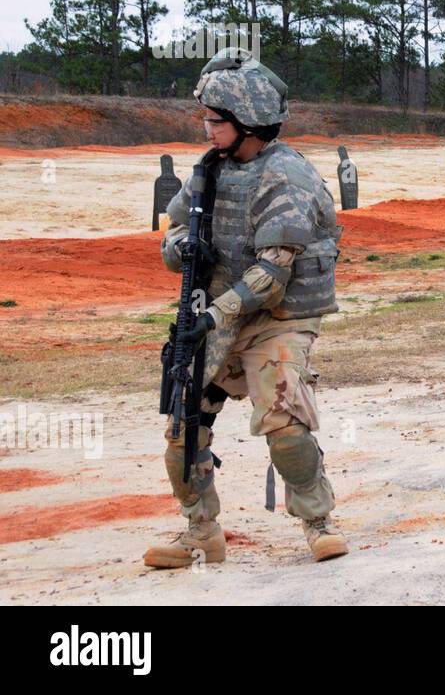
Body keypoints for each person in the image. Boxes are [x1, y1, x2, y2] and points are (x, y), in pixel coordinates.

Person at [146, 47, 348, 568]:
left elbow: (272, 277)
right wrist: (183, 247)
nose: (207, 128)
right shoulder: (209, 172)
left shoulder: (288, 178)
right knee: (183, 429)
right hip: (214, 316)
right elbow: (175, 230)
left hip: (273, 320)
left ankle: (317, 520)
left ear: (247, 121)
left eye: (216, 120)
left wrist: (214, 316)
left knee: (283, 421)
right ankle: (201, 531)